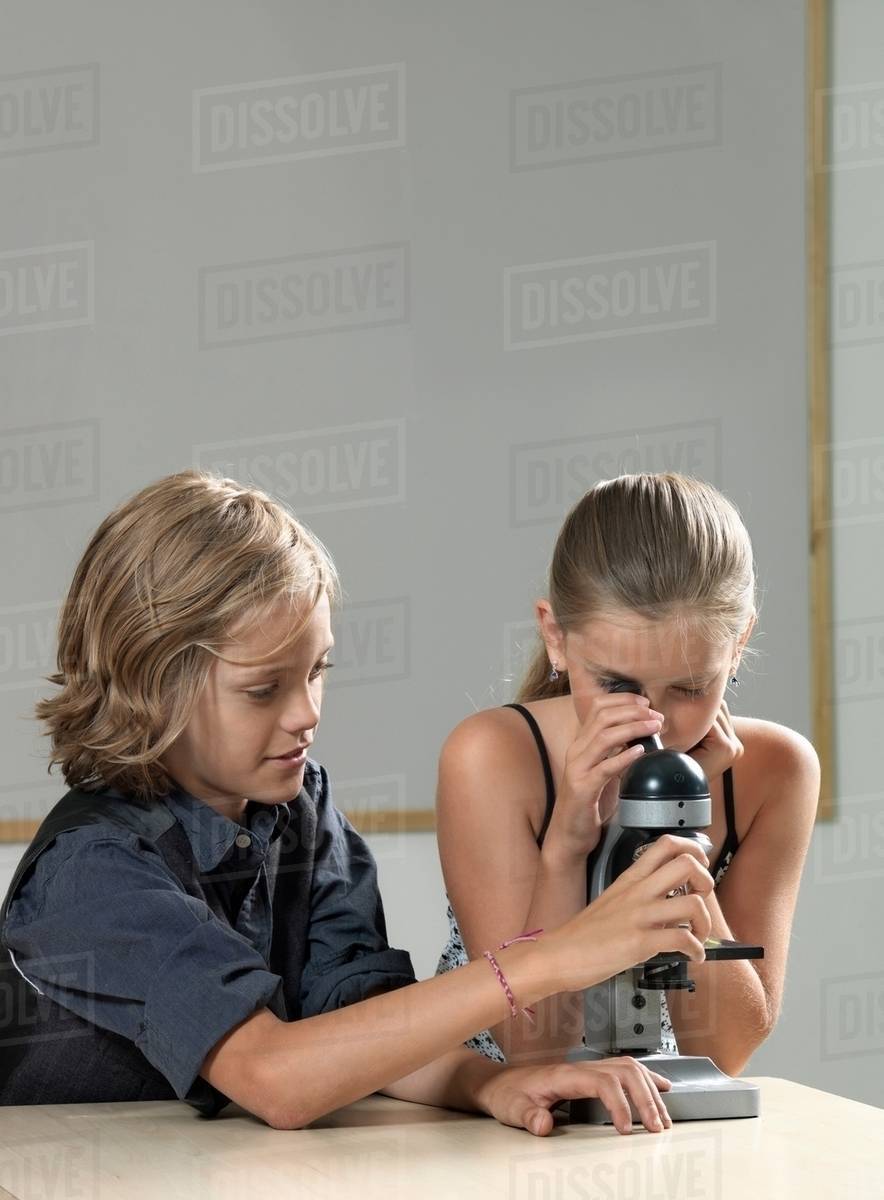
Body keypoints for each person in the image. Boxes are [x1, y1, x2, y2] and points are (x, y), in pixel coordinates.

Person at [0, 469, 715, 1137]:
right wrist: (551, 958)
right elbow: (275, 1075)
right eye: (263, 689)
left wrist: (484, 1084)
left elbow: (364, 1024)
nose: (306, 712)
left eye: (317, 672)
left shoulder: (299, 812)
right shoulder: (91, 870)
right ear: (149, 683)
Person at [435, 472, 820, 1071]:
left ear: (739, 643)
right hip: (495, 1122)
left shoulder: (777, 772)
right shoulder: (491, 755)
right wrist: (565, 845)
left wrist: (676, 839)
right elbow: (535, 1050)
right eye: (617, 685)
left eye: (691, 687)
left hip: (658, 1117)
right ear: (556, 638)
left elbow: (726, 1048)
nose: (656, 719)